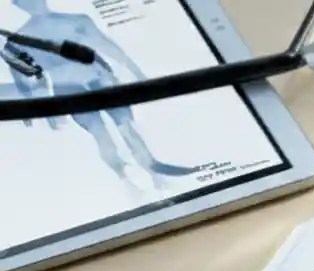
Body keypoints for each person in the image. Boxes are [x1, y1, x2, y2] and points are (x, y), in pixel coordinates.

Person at [4, 0, 196, 187]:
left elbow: (26, 79)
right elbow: (25, 78)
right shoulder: (64, 25)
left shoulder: (37, 33)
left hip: (84, 83)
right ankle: (135, 180)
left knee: (118, 129)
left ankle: (142, 178)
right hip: (79, 85)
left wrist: (136, 71)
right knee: (109, 131)